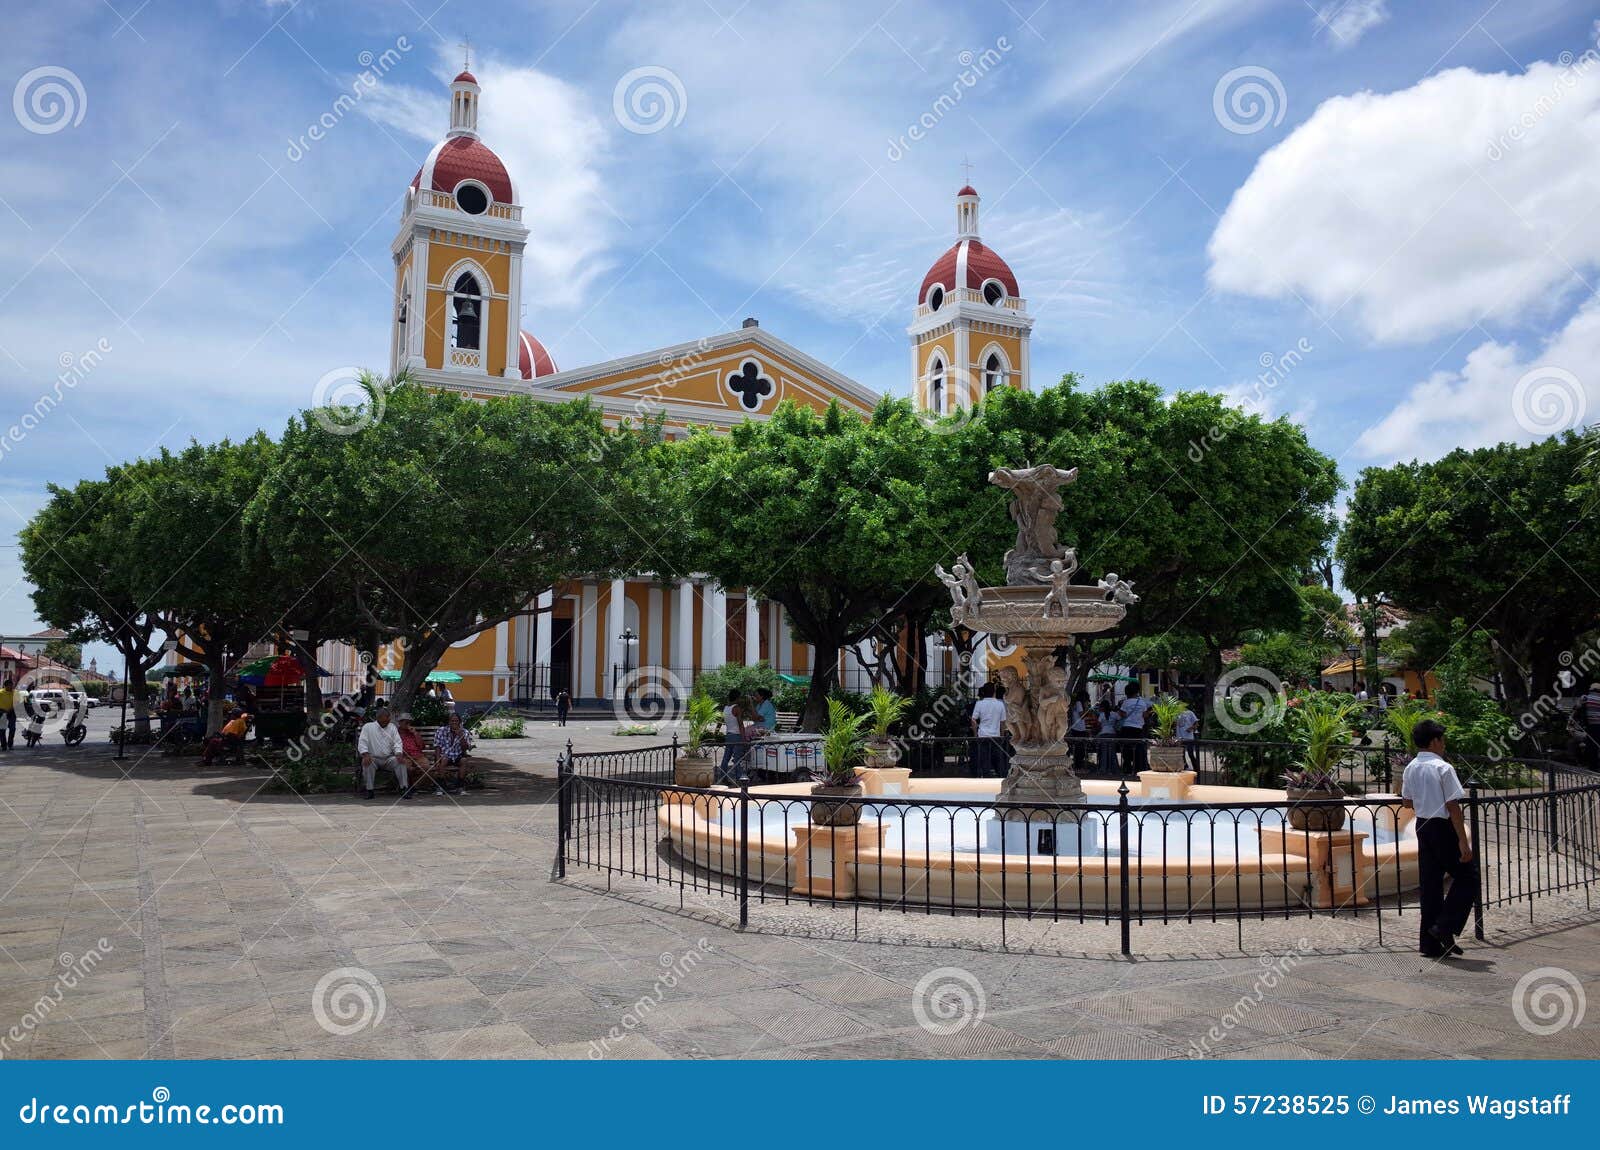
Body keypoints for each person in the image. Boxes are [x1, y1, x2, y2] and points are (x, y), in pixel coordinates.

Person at [1400, 719, 1477, 958]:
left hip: (1423, 825)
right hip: (1442, 826)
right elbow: (1453, 807)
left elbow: (1406, 802)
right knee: (1468, 876)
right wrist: (1463, 841)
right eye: (1442, 740)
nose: (1444, 745)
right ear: (1434, 741)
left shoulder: (1411, 767)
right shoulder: (1443, 768)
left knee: (1431, 885)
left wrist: (1425, 801)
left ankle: (1429, 943)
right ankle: (1444, 926)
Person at [358, 706, 412, 800]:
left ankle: (404, 788)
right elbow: (362, 742)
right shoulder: (368, 727)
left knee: (400, 763)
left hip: (388, 758)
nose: (386, 722)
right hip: (373, 757)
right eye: (384, 721)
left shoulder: (392, 727)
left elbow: (397, 742)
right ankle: (369, 790)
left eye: (388, 720)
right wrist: (365, 754)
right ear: (378, 718)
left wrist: (398, 754)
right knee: (367, 763)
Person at [970, 683, 1007, 778]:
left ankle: (986, 780)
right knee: (998, 761)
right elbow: (1003, 722)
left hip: (982, 736)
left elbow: (973, 720)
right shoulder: (1000, 704)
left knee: (984, 761)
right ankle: (1001, 779)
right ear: (994, 692)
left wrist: (975, 734)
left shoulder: (979, 704)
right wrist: (1002, 735)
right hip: (996, 736)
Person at [433, 712, 475, 796]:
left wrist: (461, 736)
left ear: (460, 722)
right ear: (449, 722)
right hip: (445, 756)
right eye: (452, 721)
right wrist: (437, 759)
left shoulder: (464, 732)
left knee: (464, 761)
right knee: (443, 760)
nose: (454, 723)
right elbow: (437, 746)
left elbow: (465, 748)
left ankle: (460, 787)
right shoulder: (441, 730)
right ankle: (441, 787)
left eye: (456, 721)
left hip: (457, 756)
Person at [395, 713, 435, 793]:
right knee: (406, 768)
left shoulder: (413, 732)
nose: (408, 724)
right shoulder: (395, 733)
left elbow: (422, 746)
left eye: (409, 722)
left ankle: (414, 787)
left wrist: (415, 734)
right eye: (406, 722)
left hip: (418, 756)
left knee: (427, 768)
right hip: (404, 756)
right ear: (400, 722)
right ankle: (408, 786)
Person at [1118, 683, 1151, 774]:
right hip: (1138, 729)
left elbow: (1122, 714)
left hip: (1127, 728)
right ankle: (1138, 768)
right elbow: (1145, 715)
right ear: (1137, 691)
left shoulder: (1126, 702)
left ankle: (1127, 768)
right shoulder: (1142, 702)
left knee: (1127, 749)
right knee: (1138, 749)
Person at [717, 689, 747, 784]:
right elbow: (740, 724)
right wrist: (744, 738)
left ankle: (723, 777)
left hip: (729, 735)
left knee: (726, 758)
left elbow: (720, 722)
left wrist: (716, 732)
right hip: (737, 735)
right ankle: (739, 778)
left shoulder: (726, 708)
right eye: (740, 697)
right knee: (737, 758)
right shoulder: (736, 708)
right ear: (737, 697)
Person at [1095, 695, 1122, 774]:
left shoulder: (1101, 715)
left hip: (1103, 734)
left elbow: (1098, 725)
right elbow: (1120, 721)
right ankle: (1114, 769)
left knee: (1104, 752)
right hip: (1112, 734)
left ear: (1102, 707)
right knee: (1112, 752)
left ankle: (1103, 769)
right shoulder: (1114, 714)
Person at [1068, 689, 1092, 774]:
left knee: (1080, 749)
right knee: (1080, 750)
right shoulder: (1079, 703)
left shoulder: (1076, 704)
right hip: (1079, 729)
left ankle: (1078, 766)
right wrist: (1087, 707)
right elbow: (1082, 715)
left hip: (1078, 728)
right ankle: (1078, 767)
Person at [1577, 682, 1600, 770]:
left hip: (1591, 726)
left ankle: (1593, 767)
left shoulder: (1585, 697)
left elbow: (1577, 707)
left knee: (1592, 747)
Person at [1174, 698, 1200, 772]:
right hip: (1179, 737)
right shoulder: (1176, 713)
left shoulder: (1190, 713)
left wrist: (1191, 728)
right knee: (1182, 754)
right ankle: (1185, 766)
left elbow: (1196, 724)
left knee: (1190, 753)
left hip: (1188, 737)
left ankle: (1196, 768)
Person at [0, 677, 14, 752]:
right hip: (2, 712)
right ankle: (3, 745)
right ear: (5, 686)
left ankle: (10, 744)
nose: (11, 687)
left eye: (11, 685)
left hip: (12, 712)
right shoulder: (1, 693)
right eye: (9, 686)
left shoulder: (15, 693)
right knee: (2, 730)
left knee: (12, 728)